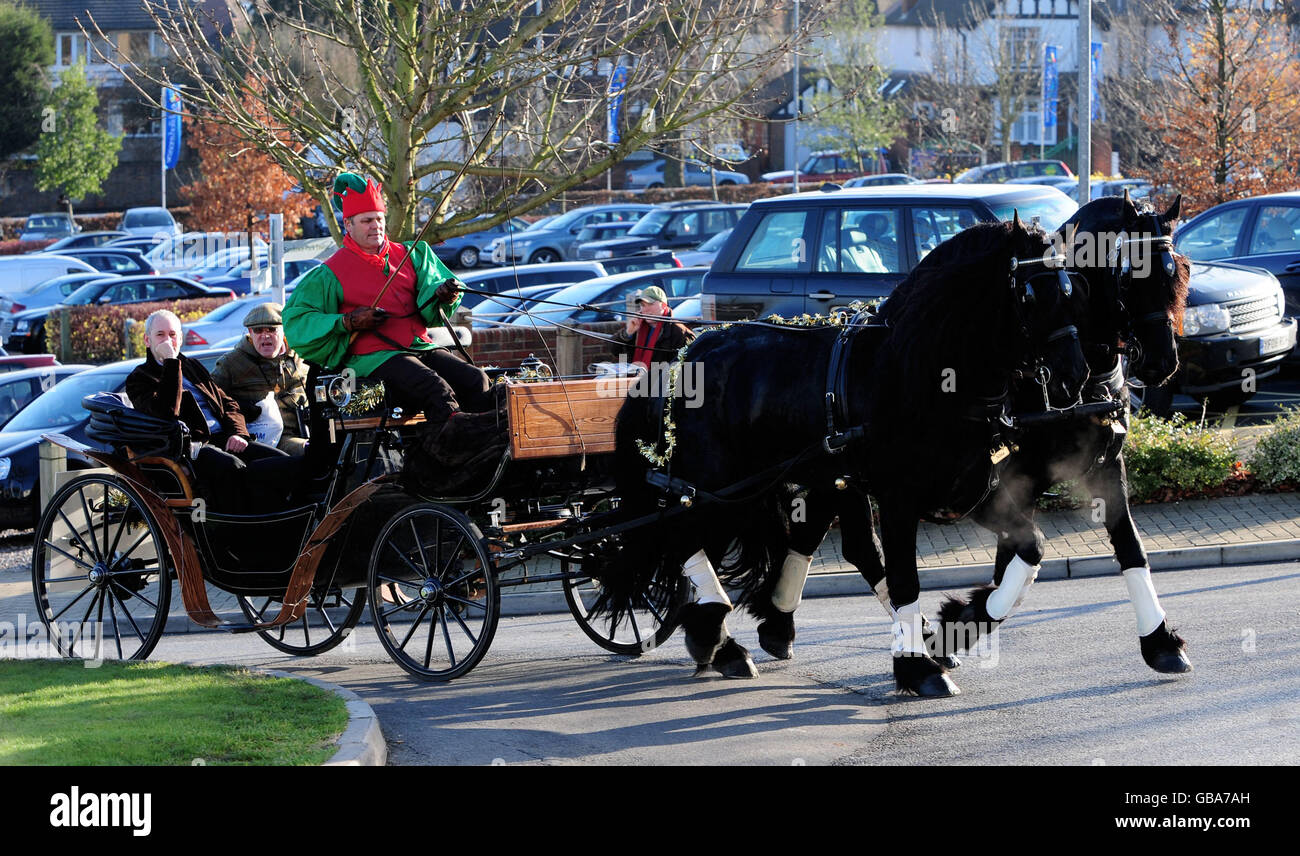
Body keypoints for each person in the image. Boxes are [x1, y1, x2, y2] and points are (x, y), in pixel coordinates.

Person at [283, 173, 504, 468]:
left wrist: (443, 295)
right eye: (366, 220)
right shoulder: (330, 273)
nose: (375, 226)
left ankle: (491, 452)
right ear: (348, 225)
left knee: (475, 379)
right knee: (434, 388)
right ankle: (445, 463)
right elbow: (298, 321)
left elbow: (431, 293)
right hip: (370, 357)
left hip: (417, 346)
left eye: (378, 219)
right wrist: (347, 322)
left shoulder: (412, 255)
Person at [125, 309, 298, 512]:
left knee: (286, 463)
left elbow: (228, 403)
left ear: (180, 338)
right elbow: (167, 411)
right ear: (147, 340)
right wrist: (171, 364)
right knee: (235, 467)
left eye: (172, 335)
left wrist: (238, 433)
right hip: (190, 447)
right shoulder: (140, 378)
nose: (167, 341)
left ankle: (288, 524)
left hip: (223, 438)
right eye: (160, 335)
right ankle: (243, 533)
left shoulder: (192, 366)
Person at [212, 303, 310, 456]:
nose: (265, 335)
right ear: (250, 333)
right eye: (258, 331)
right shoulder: (231, 364)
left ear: (283, 331)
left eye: (272, 329)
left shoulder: (300, 358)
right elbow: (211, 401)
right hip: (263, 441)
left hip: (305, 430)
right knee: (310, 452)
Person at [611, 285, 694, 370]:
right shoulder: (637, 325)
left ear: (663, 305)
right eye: (643, 305)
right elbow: (615, 351)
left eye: (650, 304)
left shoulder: (679, 333)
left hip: (661, 381)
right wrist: (627, 333)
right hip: (635, 379)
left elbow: (685, 367)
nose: (646, 310)